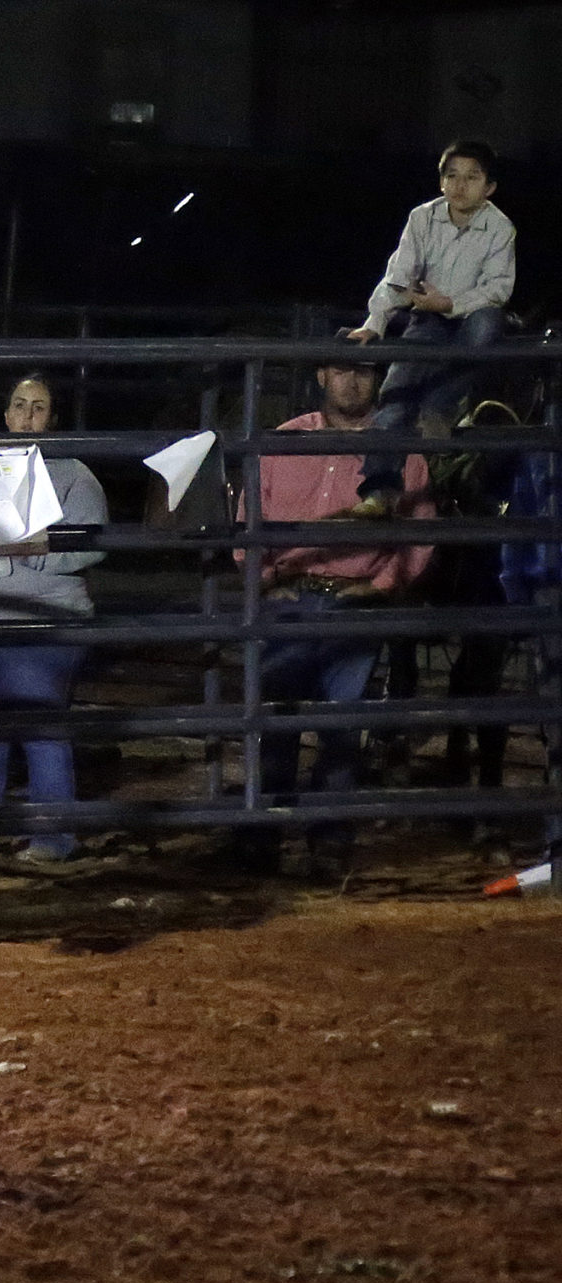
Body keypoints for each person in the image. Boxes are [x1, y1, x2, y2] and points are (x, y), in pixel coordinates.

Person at [234, 349, 434, 879]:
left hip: (354, 601)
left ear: (379, 379)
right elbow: (247, 520)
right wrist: (266, 583)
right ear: (322, 374)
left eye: (365, 371)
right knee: (277, 723)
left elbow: (420, 535)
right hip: (290, 598)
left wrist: (380, 586)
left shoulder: (401, 449)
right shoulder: (284, 439)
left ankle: (325, 841)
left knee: (340, 730)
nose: (352, 380)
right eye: (342, 368)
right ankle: (266, 836)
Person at [0, 376, 106, 865]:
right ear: (7, 415)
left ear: (53, 419)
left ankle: (53, 834)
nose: (28, 416)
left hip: (42, 617)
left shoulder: (75, 473)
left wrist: (32, 559)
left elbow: (89, 543)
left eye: (39, 407)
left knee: (39, 721)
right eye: (20, 406)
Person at [350, 140, 515, 498]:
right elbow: (399, 275)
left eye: (472, 177)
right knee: (397, 390)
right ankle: (378, 489)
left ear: (489, 188)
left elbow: (498, 289)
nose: (460, 185)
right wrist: (374, 322)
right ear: (441, 182)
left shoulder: (501, 228)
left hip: (470, 317)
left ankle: (439, 406)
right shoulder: (422, 217)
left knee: (488, 323)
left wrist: (450, 303)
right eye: (452, 175)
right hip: (427, 317)